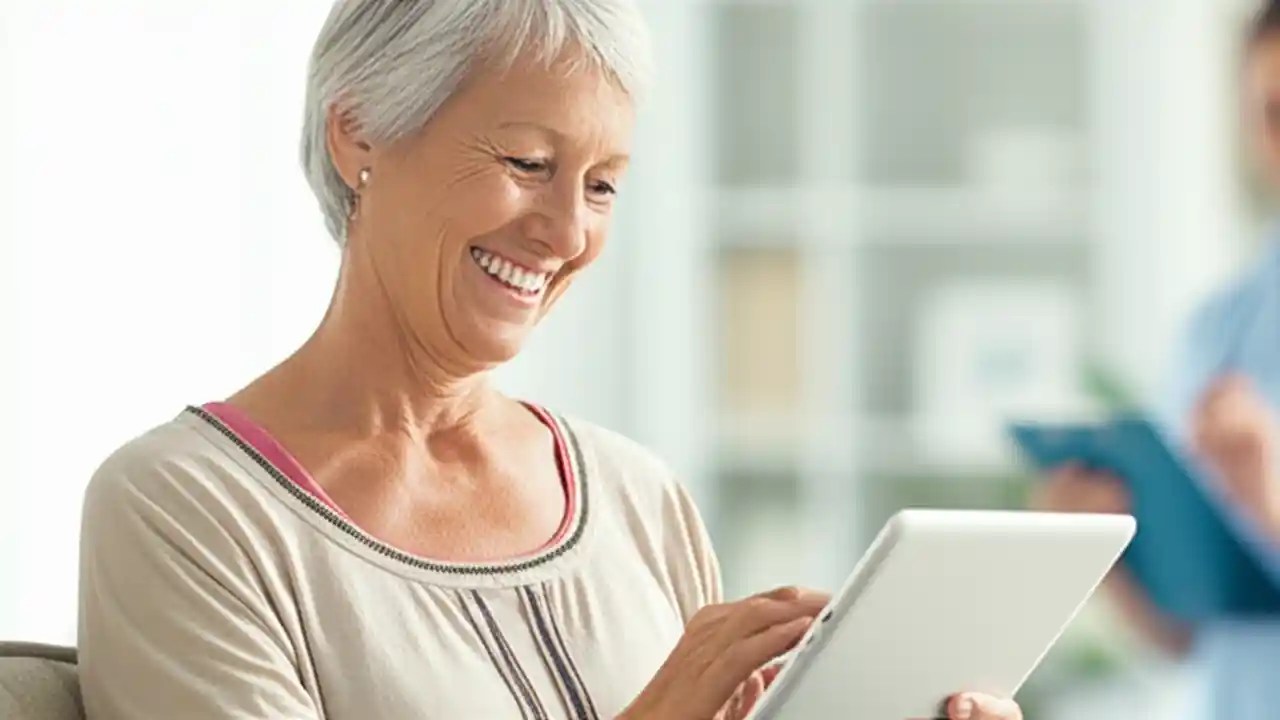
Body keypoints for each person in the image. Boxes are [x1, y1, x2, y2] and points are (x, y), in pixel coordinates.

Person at [75, 2, 1021, 718]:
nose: (567, 232)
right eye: (528, 163)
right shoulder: (187, 511)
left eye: (603, 185)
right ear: (358, 130)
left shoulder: (634, 498)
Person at [1037, 2, 1280, 718]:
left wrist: (1268, 499)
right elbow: (1186, 634)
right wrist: (1108, 557)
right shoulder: (1221, 325)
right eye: (1271, 112)